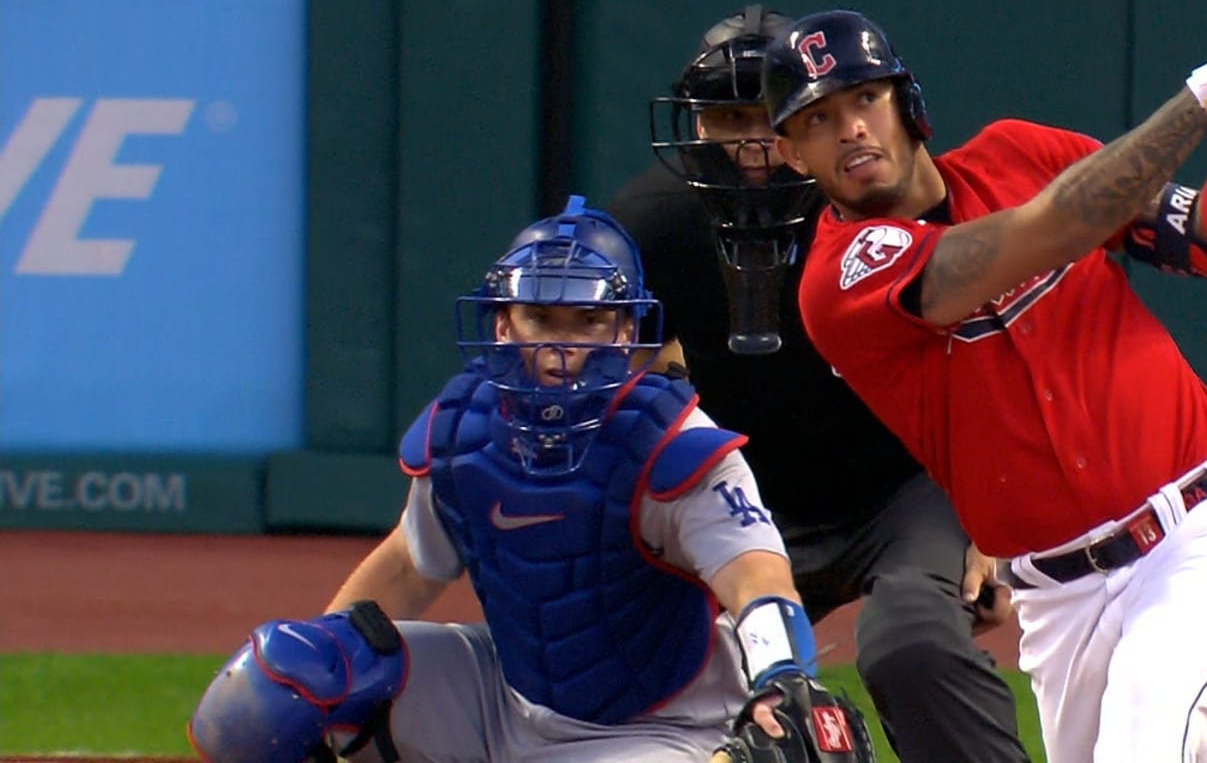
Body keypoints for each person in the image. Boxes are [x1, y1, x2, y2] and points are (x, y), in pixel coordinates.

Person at [764, 8, 1207, 762]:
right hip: (1062, 605)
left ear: (906, 103)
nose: (849, 128)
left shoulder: (1018, 153)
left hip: (1206, 534)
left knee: (1150, 717)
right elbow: (1048, 228)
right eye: (817, 119)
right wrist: (1206, 94)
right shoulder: (839, 277)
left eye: (863, 99)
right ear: (789, 152)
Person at [188, 197, 853, 763]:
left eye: (588, 323)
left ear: (626, 330)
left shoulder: (675, 444)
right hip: (504, 702)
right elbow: (411, 566)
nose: (563, 350)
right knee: (281, 679)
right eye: (542, 320)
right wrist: (323, 668)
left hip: (666, 728)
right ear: (504, 323)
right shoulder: (462, 432)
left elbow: (758, 577)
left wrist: (782, 677)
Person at [609, 5, 1029, 763]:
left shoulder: (884, 206)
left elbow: (983, 357)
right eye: (726, 118)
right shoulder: (655, 223)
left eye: (767, 117)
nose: (750, 146)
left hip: (902, 487)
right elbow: (624, 380)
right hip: (745, 499)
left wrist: (986, 519)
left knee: (913, 641)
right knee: (652, 665)